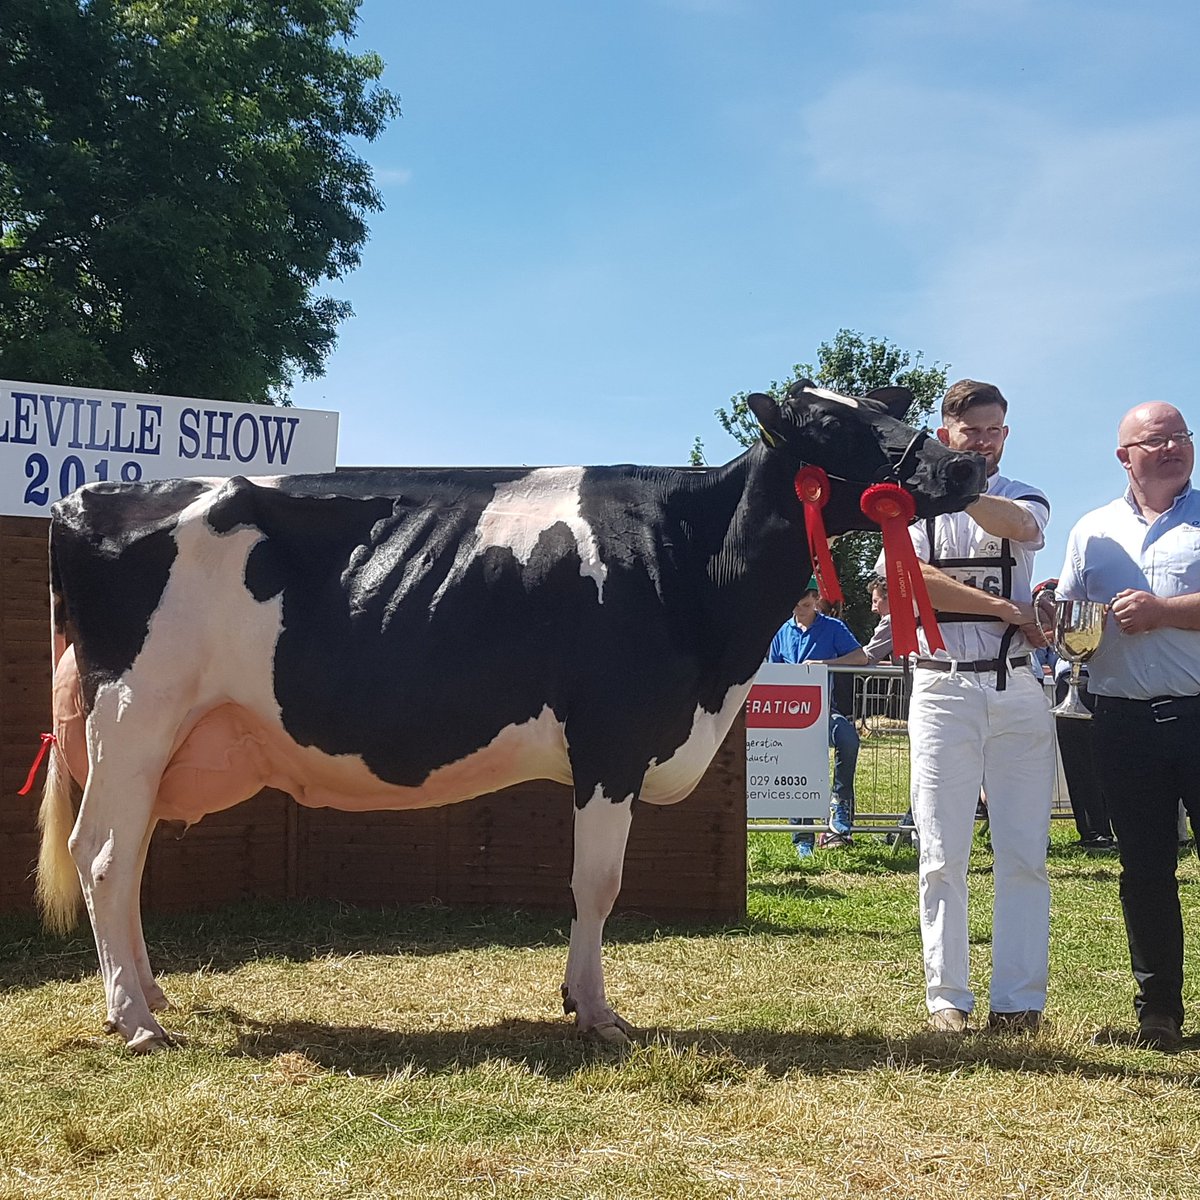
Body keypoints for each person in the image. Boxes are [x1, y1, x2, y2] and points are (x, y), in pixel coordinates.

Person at [882, 379, 1055, 1035]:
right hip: (941, 684)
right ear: (946, 433)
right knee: (941, 851)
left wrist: (965, 486)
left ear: (1005, 435)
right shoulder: (914, 512)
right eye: (971, 432)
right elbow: (906, 579)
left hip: (1015, 685)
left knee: (1022, 853)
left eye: (994, 431)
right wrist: (1001, 607)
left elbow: (1022, 527)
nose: (983, 442)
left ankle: (1017, 1001)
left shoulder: (1021, 494)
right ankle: (946, 998)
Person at [1056, 402, 1200, 1053]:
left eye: (1181, 436)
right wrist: (1059, 622)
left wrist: (1163, 610)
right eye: (1157, 439)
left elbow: (1156, 613)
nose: (1173, 446)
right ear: (1125, 456)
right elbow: (1071, 629)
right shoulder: (1091, 530)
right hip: (1121, 723)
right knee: (1143, 870)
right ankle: (1158, 1010)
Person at [768, 577, 868, 858]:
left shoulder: (833, 627)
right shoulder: (781, 631)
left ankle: (841, 806)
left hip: (825, 709)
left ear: (815, 602)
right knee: (799, 768)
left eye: (808, 604)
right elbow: (773, 670)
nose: (802, 610)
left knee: (848, 740)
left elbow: (860, 658)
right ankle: (802, 835)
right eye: (798, 606)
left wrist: (823, 665)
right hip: (790, 714)